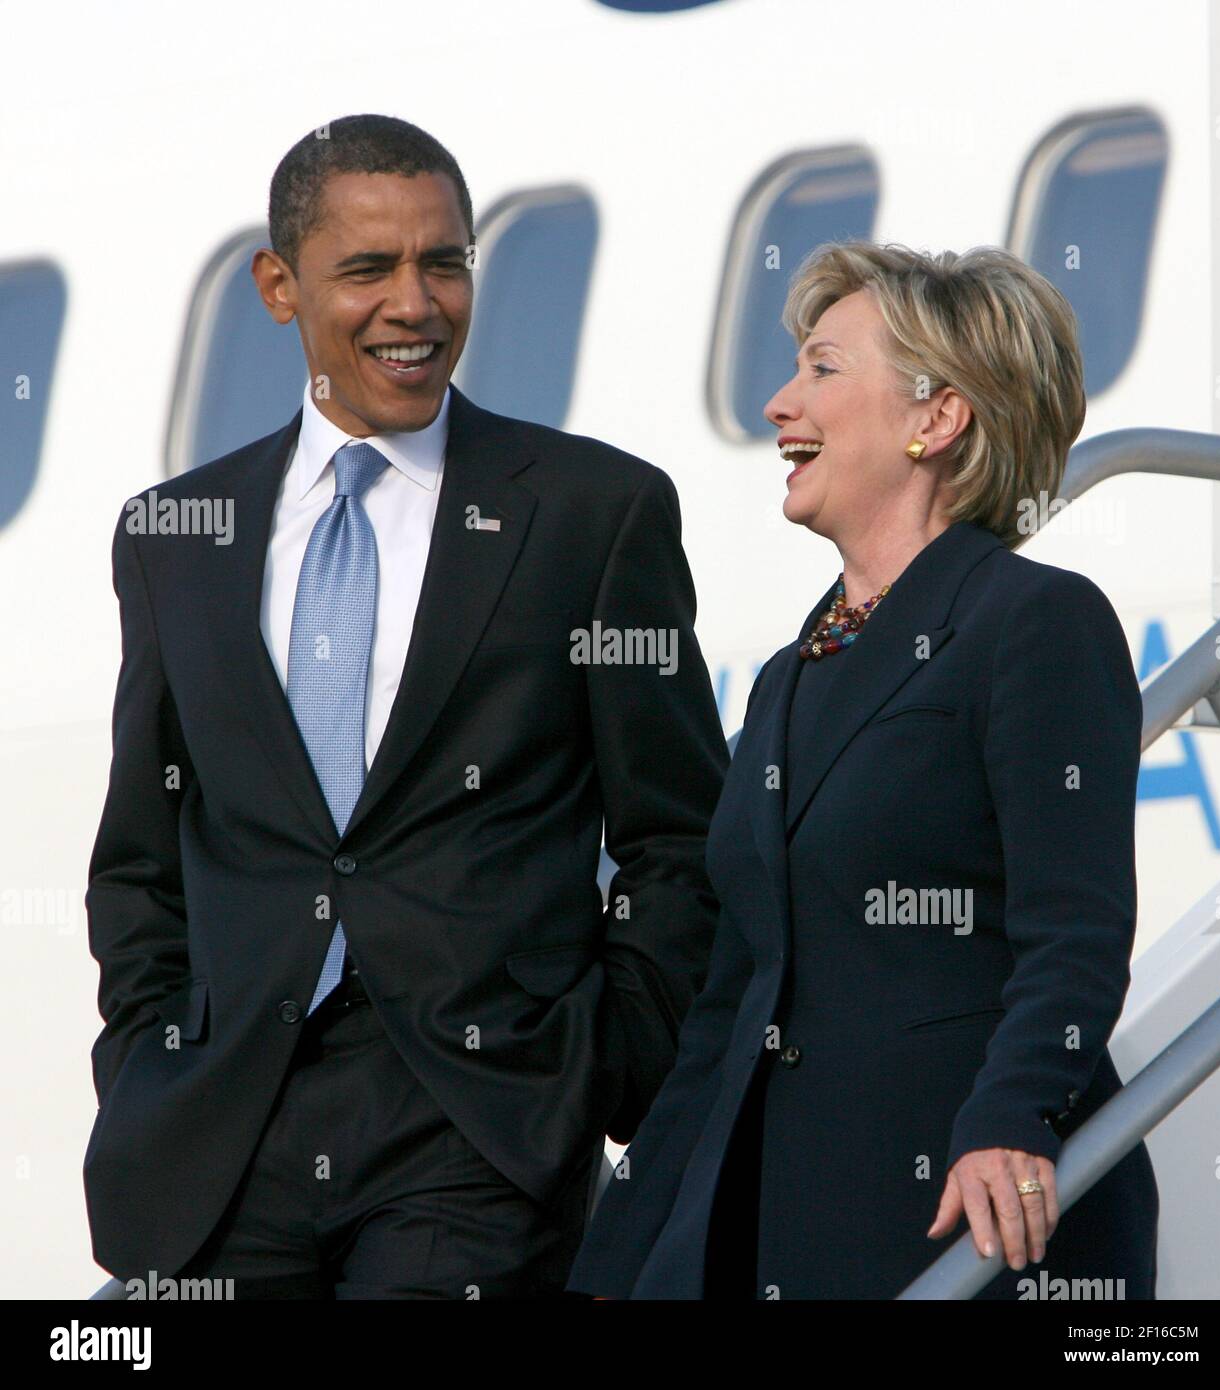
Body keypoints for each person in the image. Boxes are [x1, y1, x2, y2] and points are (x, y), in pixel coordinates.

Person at [82, 113, 728, 1299]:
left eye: (444, 262)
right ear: (280, 287)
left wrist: (598, 1060)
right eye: (369, 268)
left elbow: (678, 832)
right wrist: (148, 1057)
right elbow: (142, 854)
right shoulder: (174, 535)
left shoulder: (593, 513)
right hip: (228, 1124)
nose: (415, 304)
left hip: (478, 1119)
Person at [567, 240, 1160, 1300]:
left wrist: (1007, 1119)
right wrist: (627, 1238)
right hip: (780, 1228)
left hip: (967, 1213)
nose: (777, 403)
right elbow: (735, 996)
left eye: (823, 370)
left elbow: (1072, 928)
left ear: (936, 419)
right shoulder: (793, 674)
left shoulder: (1033, 621)